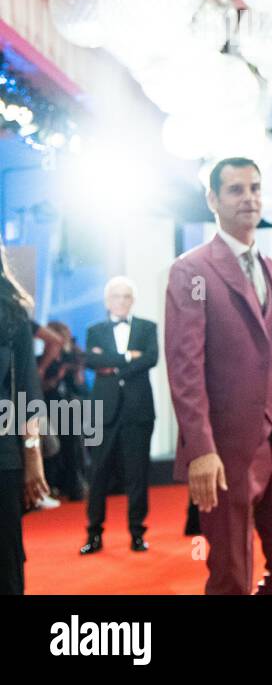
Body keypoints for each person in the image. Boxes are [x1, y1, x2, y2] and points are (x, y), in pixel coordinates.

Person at [165, 157, 272, 594]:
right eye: (236, 190)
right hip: (224, 450)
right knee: (231, 577)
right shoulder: (192, 270)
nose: (249, 198)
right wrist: (201, 449)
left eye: (255, 188)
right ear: (213, 200)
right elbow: (185, 369)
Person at [81, 277, 159, 554]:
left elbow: (151, 358)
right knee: (98, 473)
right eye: (116, 296)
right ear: (107, 301)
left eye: (127, 296)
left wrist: (112, 363)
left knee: (137, 474)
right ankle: (94, 534)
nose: (122, 301)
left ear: (133, 300)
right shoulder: (95, 330)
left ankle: (137, 533)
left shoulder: (148, 327)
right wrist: (128, 358)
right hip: (103, 412)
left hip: (139, 412)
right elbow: (91, 360)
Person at [0, 245, 47, 594]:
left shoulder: (12, 313)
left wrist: (33, 457)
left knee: (6, 561)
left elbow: (27, 394)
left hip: (3, 455)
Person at [39, 321, 88, 502]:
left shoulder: (71, 360)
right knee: (51, 451)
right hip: (47, 411)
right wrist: (55, 374)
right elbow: (37, 387)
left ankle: (76, 486)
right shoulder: (40, 361)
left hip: (68, 411)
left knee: (74, 447)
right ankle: (50, 487)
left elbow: (82, 388)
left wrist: (76, 371)